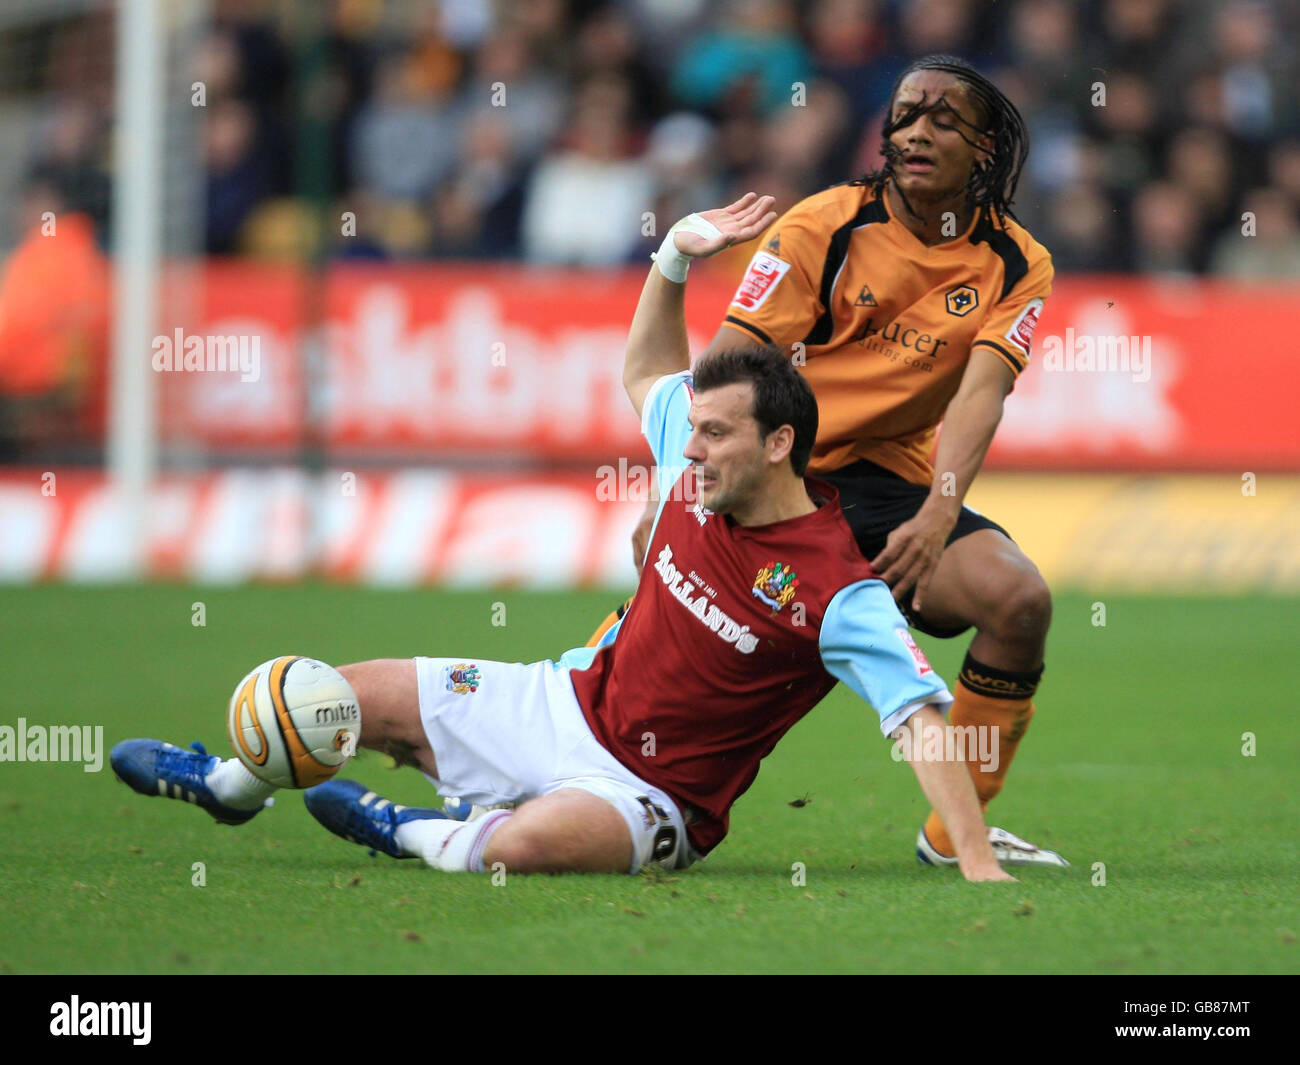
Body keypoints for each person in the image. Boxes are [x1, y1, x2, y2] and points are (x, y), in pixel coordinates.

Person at [111, 195, 1013, 882]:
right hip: (559, 703)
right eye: (690, 430)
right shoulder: (692, 459)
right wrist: (671, 256)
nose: (689, 447)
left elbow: (923, 727)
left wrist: (975, 858)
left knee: (528, 846)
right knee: (335, 696)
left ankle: (405, 825)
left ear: (780, 445)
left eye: (716, 435)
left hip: (653, 799)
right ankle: (229, 785)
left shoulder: (835, 585)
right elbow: (647, 369)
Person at [593, 55, 1066, 868]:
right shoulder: (825, 223)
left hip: (888, 490)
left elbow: (981, 395)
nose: (916, 131)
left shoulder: (1018, 263)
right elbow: (732, 364)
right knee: (676, 648)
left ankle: (957, 836)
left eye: (944, 119)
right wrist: (681, 481)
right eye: (906, 114)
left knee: (1018, 599)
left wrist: (939, 512)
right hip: (779, 475)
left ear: (986, 149)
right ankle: (577, 738)